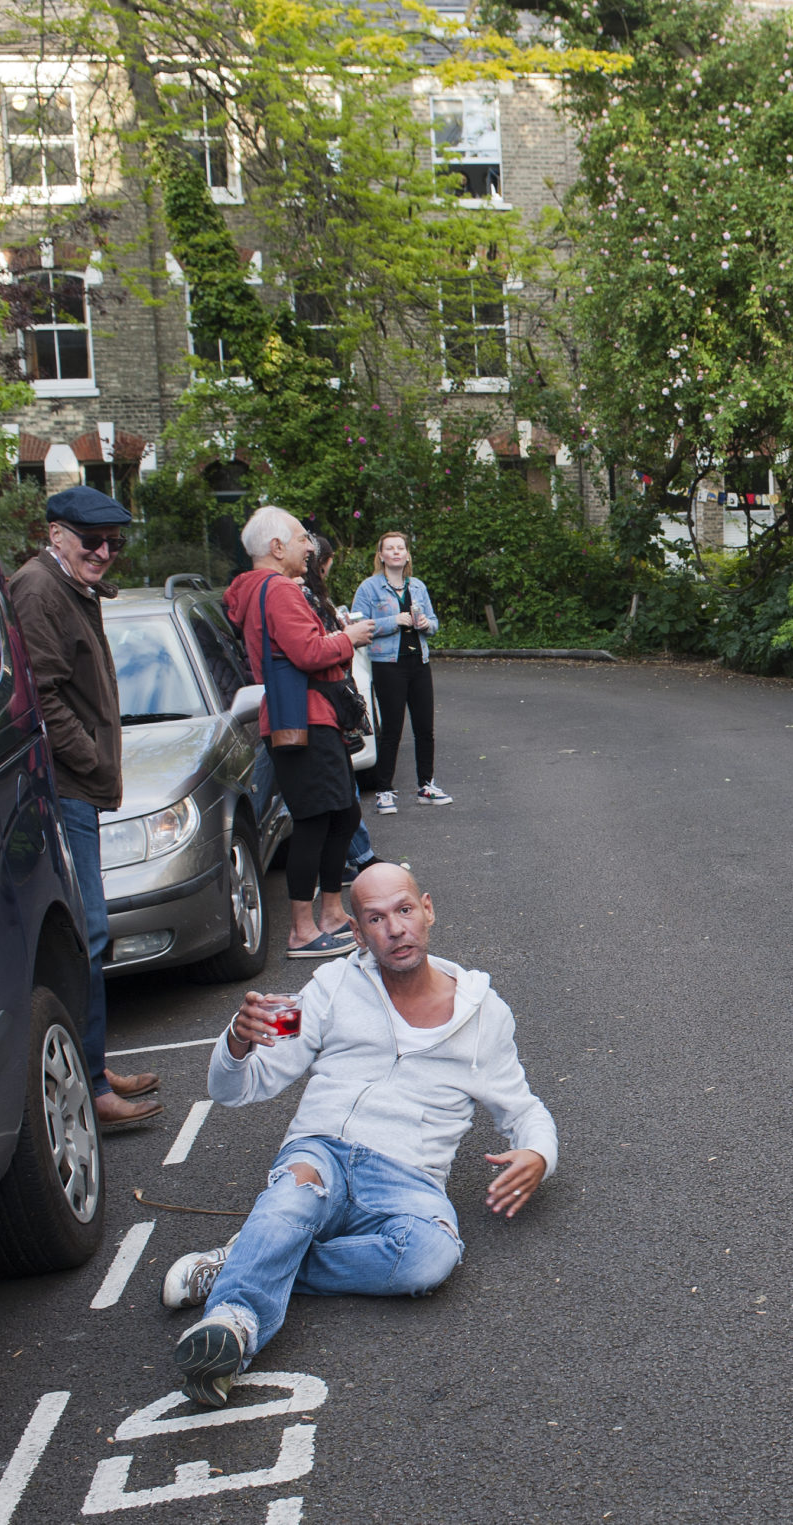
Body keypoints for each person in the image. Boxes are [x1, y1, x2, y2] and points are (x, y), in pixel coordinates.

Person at [160, 863, 557, 1409]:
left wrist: (537, 1153)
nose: (395, 928)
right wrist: (236, 1042)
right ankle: (234, 1324)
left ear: (427, 910)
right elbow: (240, 1088)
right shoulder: (329, 988)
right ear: (357, 931)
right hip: (321, 1151)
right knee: (293, 1195)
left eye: (405, 910)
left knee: (431, 1257)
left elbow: (525, 1109)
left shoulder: (486, 1016)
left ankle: (249, 1259)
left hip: (410, 1179)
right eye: (376, 918)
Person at [9, 485, 163, 1130]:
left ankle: (93, 1070)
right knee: (89, 933)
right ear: (56, 534)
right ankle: (91, 1088)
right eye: (91, 540)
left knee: (89, 935)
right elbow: (42, 698)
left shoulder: (71, 585)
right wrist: (94, 761)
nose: (103, 552)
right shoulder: (39, 589)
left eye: (113, 543)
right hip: (67, 788)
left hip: (80, 786)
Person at [224, 507, 375, 958]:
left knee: (342, 815)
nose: (309, 546)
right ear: (276, 547)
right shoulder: (277, 589)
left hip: (307, 717)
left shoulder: (262, 589)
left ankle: (330, 915)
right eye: (300, 538)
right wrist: (349, 638)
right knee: (315, 822)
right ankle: (303, 931)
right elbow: (308, 652)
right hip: (304, 720)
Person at [352, 531, 449, 815]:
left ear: (407, 555)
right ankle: (384, 791)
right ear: (381, 556)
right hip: (387, 664)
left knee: (425, 728)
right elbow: (358, 627)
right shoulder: (369, 588)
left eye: (400, 548)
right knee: (392, 730)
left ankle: (426, 786)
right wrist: (393, 620)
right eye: (390, 548)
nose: (396, 552)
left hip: (419, 662)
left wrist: (425, 624)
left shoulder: (417, 586)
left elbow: (434, 623)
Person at [301, 537, 378, 884]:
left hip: (327, 704)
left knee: (340, 794)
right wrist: (347, 636)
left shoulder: (308, 595)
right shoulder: (302, 596)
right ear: (323, 561)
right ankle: (359, 860)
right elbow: (313, 653)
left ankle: (356, 860)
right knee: (339, 796)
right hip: (322, 707)